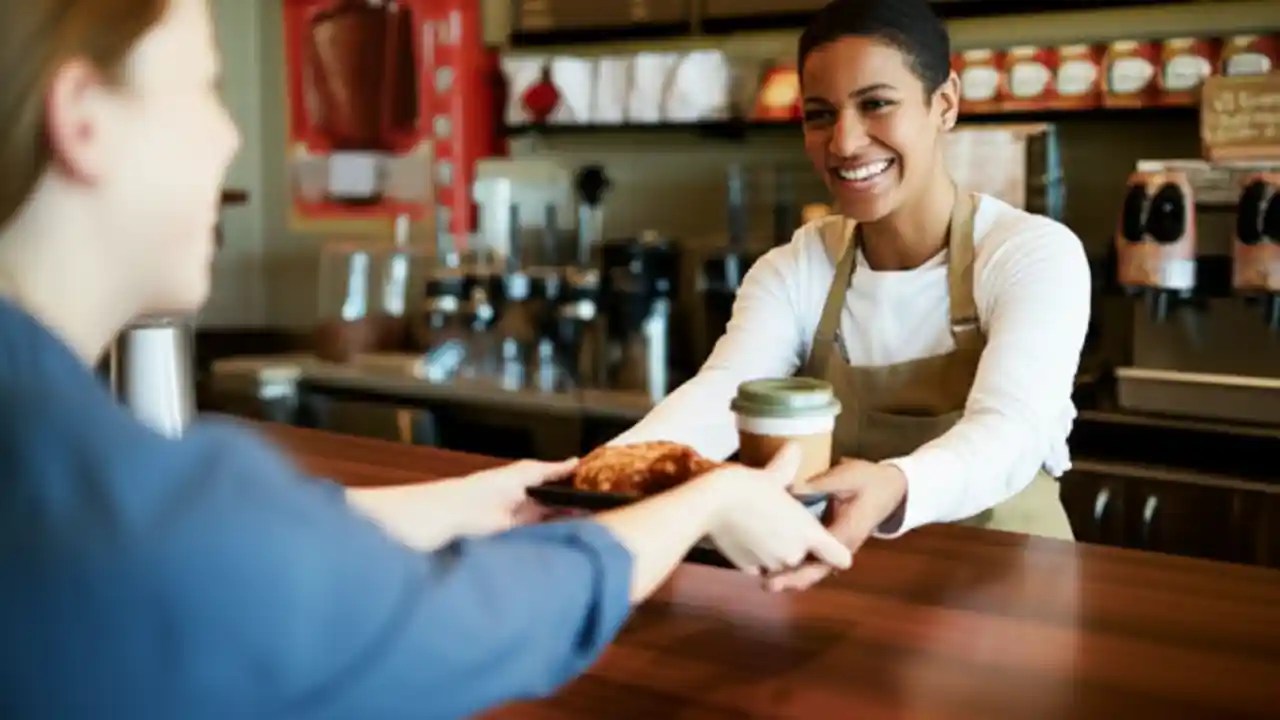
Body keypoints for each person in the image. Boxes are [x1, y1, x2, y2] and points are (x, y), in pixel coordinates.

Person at [0, 1, 851, 718]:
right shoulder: (108, 504)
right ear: (83, 117)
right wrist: (706, 502)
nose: (229, 139)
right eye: (204, 87)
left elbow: (264, 543)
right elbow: (477, 620)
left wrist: (485, 501)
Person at [612, 0, 1091, 589]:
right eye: (820, 115)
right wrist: (600, 474)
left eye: (876, 104)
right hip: (855, 590)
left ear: (944, 103)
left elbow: (1010, 430)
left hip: (1011, 593)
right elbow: (722, 396)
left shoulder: (1031, 254)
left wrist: (896, 483)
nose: (844, 142)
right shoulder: (797, 267)